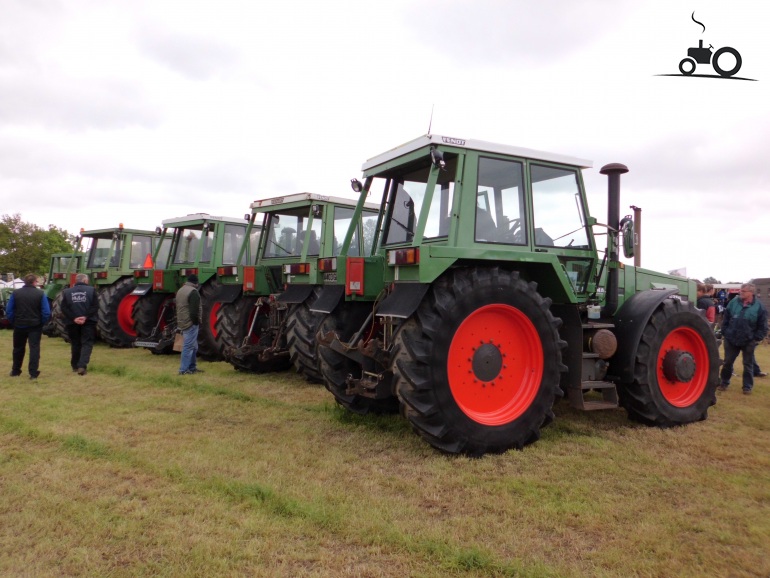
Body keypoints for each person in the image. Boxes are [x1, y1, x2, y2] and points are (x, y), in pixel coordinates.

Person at [718, 282, 768, 395]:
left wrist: (755, 338)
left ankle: (747, 387)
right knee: (727, 362)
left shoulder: (759, 307)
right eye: (741, 290)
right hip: (731, 339)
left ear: (751, 293)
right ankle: (724, 383)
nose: (740, 292)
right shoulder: (733, 302)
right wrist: (725, 331)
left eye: (743, 291)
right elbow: (725, 317)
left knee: (748, 364)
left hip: (748, 341)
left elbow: (763, 326)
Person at [7, 274, 50, 379]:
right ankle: (33, 372)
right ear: (35, 282)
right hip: (35, 325)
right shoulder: (40, 294)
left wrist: (14, 321)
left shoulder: (16, 293)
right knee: (34, 349)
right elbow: (46, 312)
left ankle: (15, 370)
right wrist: (41, 323)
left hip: (19, 324)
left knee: (18, 348)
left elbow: (9, 310)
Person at [61, 273, 99, 375]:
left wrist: (74, 318)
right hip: (88, 321)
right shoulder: (92, 290)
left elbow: (63, 308)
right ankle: (82, 366)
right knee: (87, 343)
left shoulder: (67, 292)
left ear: (75, 281)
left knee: (75, 343)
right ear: (85, 281)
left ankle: (75, 366)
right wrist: (85, 317)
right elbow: (95, 306)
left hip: (72, 322)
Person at [176, 274, 203, 375]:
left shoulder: (181, 290)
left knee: (193, 346)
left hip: (182, 321)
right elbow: (194, 311)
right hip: (190, 323)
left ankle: (192, 367)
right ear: (196, 283)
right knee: (188, 346)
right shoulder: (193, 292)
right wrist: (195, 322)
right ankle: (183, 370)